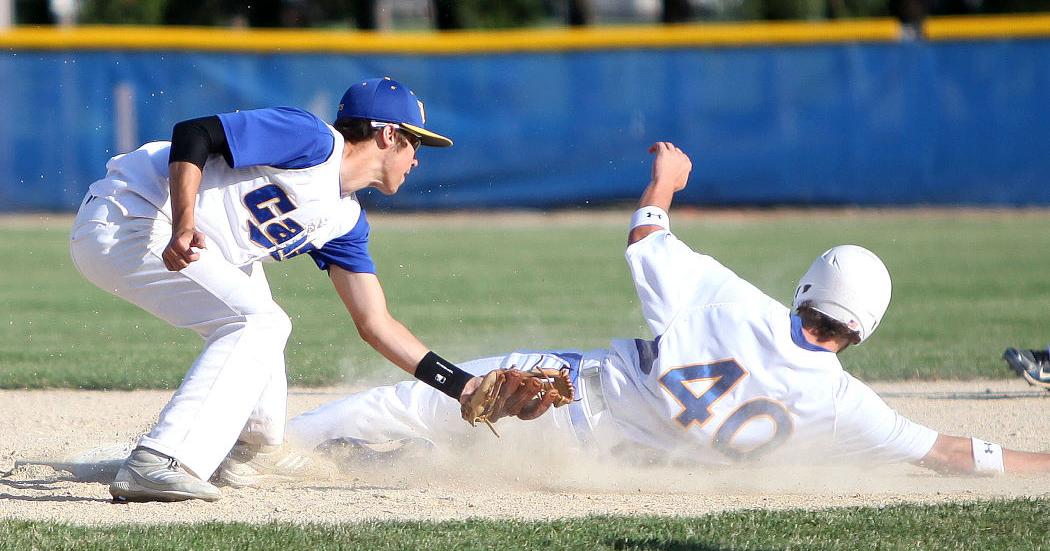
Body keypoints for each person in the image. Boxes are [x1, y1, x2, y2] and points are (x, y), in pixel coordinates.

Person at [286, 143, 1050, 476]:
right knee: (440, 451)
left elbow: (646, 234)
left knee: (407, 405)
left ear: (807, 290)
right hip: (591, 464)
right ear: (866, 327)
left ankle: (275, 445)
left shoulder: (728, 300)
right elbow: (952, 453)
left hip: (559, 395)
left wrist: (666, 180)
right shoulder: (846, 407)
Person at [69, 77, 525, 503]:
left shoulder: (345, 220)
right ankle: (160, 458)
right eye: (415, 143)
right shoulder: (312, 140)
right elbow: (194, 133)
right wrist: (185, 222)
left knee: (262, 429)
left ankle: (238, 456)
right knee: (260, 322)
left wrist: (462, 386)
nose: (417, 159)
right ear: (388, 136)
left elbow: (375, 323)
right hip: (133, 214)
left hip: (195, 244)